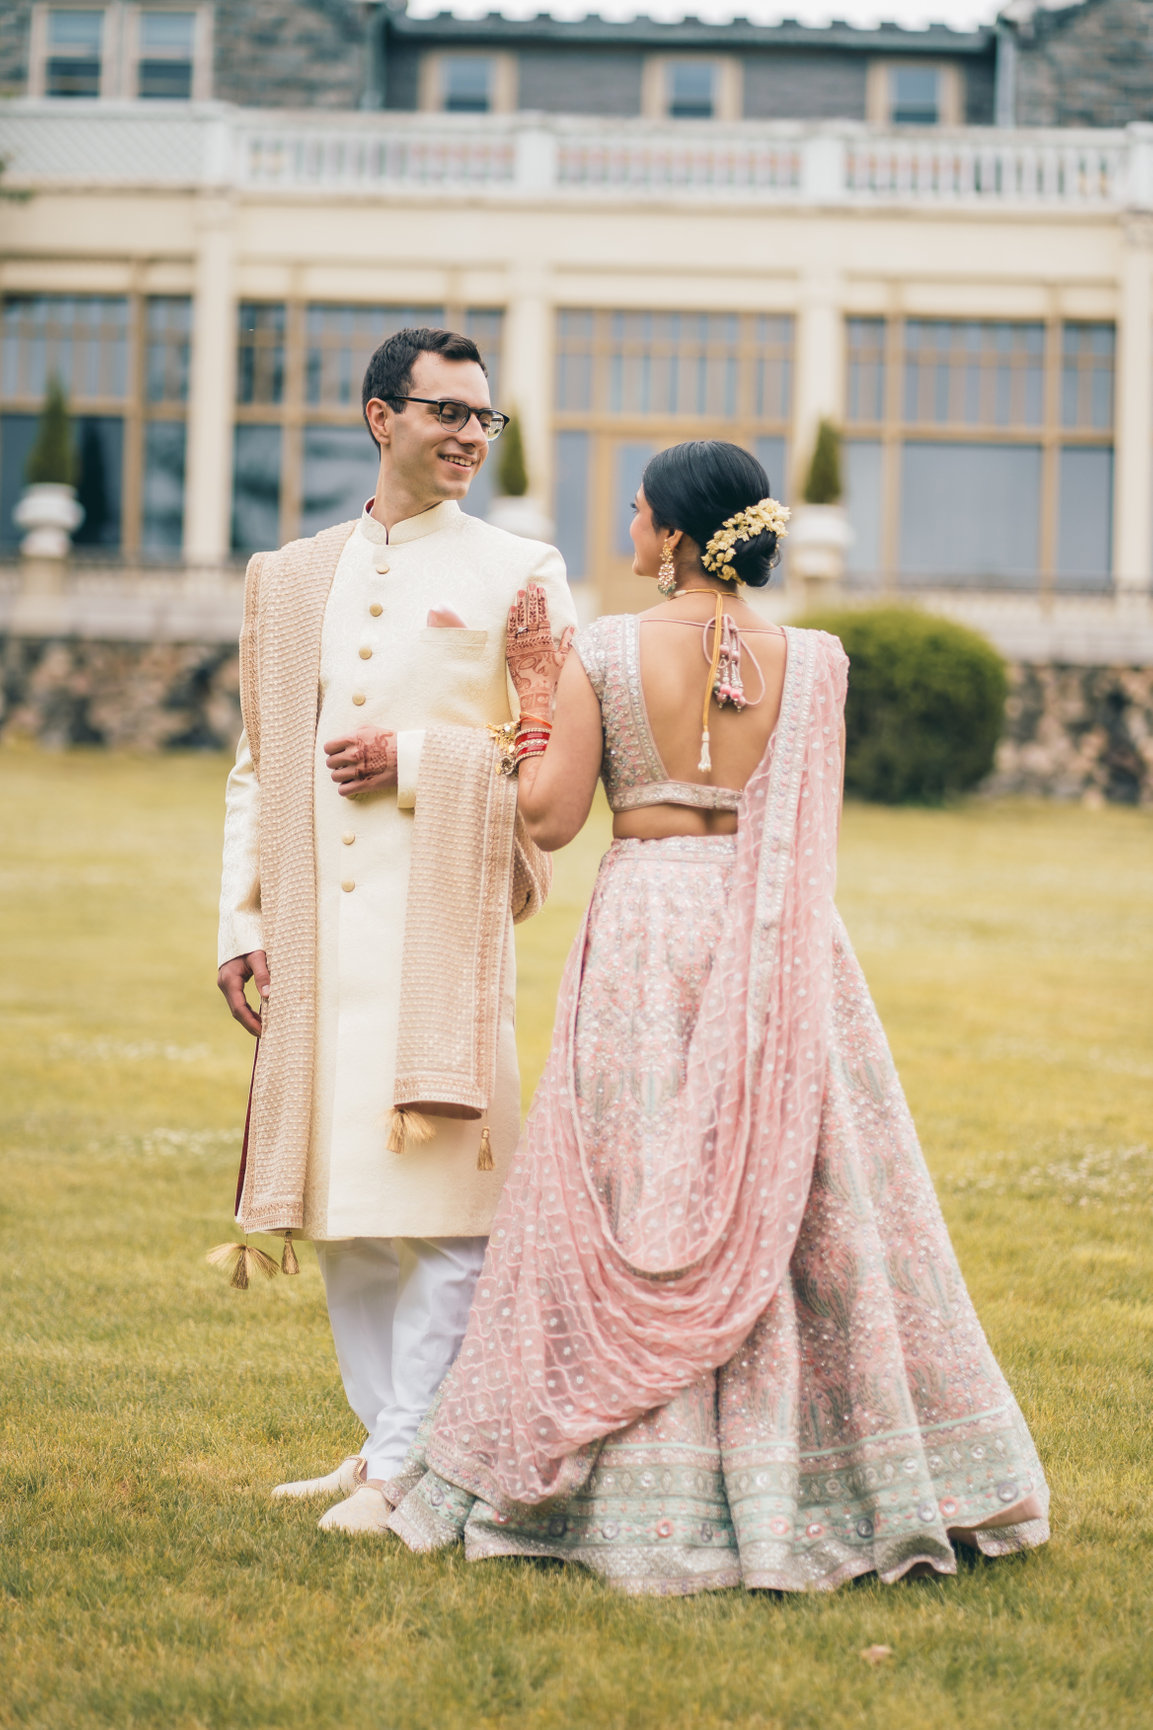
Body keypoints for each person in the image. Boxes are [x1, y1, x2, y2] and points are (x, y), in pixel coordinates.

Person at [382, 439, 1050, 1594]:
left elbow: (547, 818)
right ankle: (836, 1466)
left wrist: (533, 704)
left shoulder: (600, 649)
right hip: (775, 929)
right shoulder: (819, 662)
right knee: (802, 1184)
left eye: (639, 512)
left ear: (678, 536)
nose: (628, 529)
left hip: (647, 929)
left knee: (637, 1172)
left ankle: (633, 1470)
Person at [216, 327, 576, 1535]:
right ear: (382, 416)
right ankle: (387, 1445)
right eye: (447, 412)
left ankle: (411, 1461)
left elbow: (550, 758)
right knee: (346, 1211)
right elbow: (259, 761)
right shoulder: (291, 576)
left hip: (442, 932)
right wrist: (239, 922)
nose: (471, 436)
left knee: (447, 1213)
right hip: (316, 935)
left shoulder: (521, 566)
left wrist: (419, 760)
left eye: (485, 418)